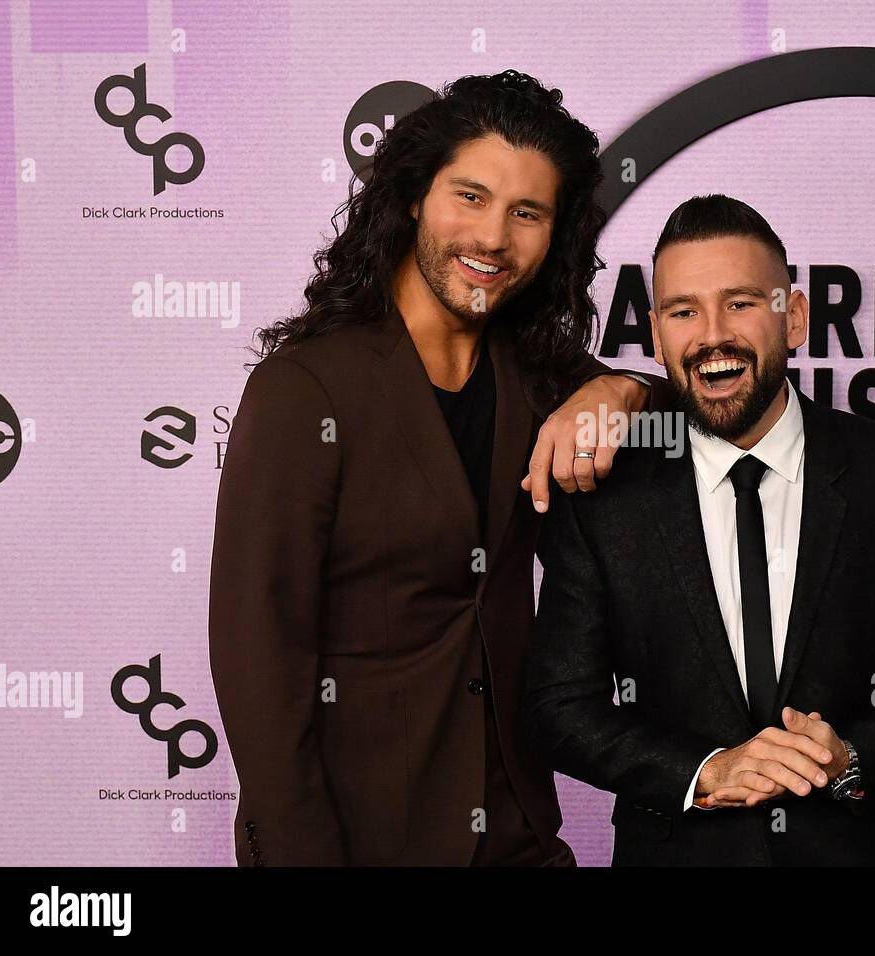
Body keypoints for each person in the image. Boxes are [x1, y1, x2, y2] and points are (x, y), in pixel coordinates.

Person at [208, 70, 657, 866]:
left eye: (527, 213)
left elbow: (705, 416)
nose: (492, 239)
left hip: (516, 832)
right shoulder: (304, 389)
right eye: (471, 197)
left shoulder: (538, 375)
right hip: (358, 839)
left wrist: (620, 390)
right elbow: (258, 661)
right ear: (415, 196)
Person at [525, 194, 875, 865]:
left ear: (794, 317)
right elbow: (560, 706)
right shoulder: (602, 497)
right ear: (657, 338)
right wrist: (707, 770)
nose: (713, 334)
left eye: (741, 302)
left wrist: (850, 758)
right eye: (684, 311)